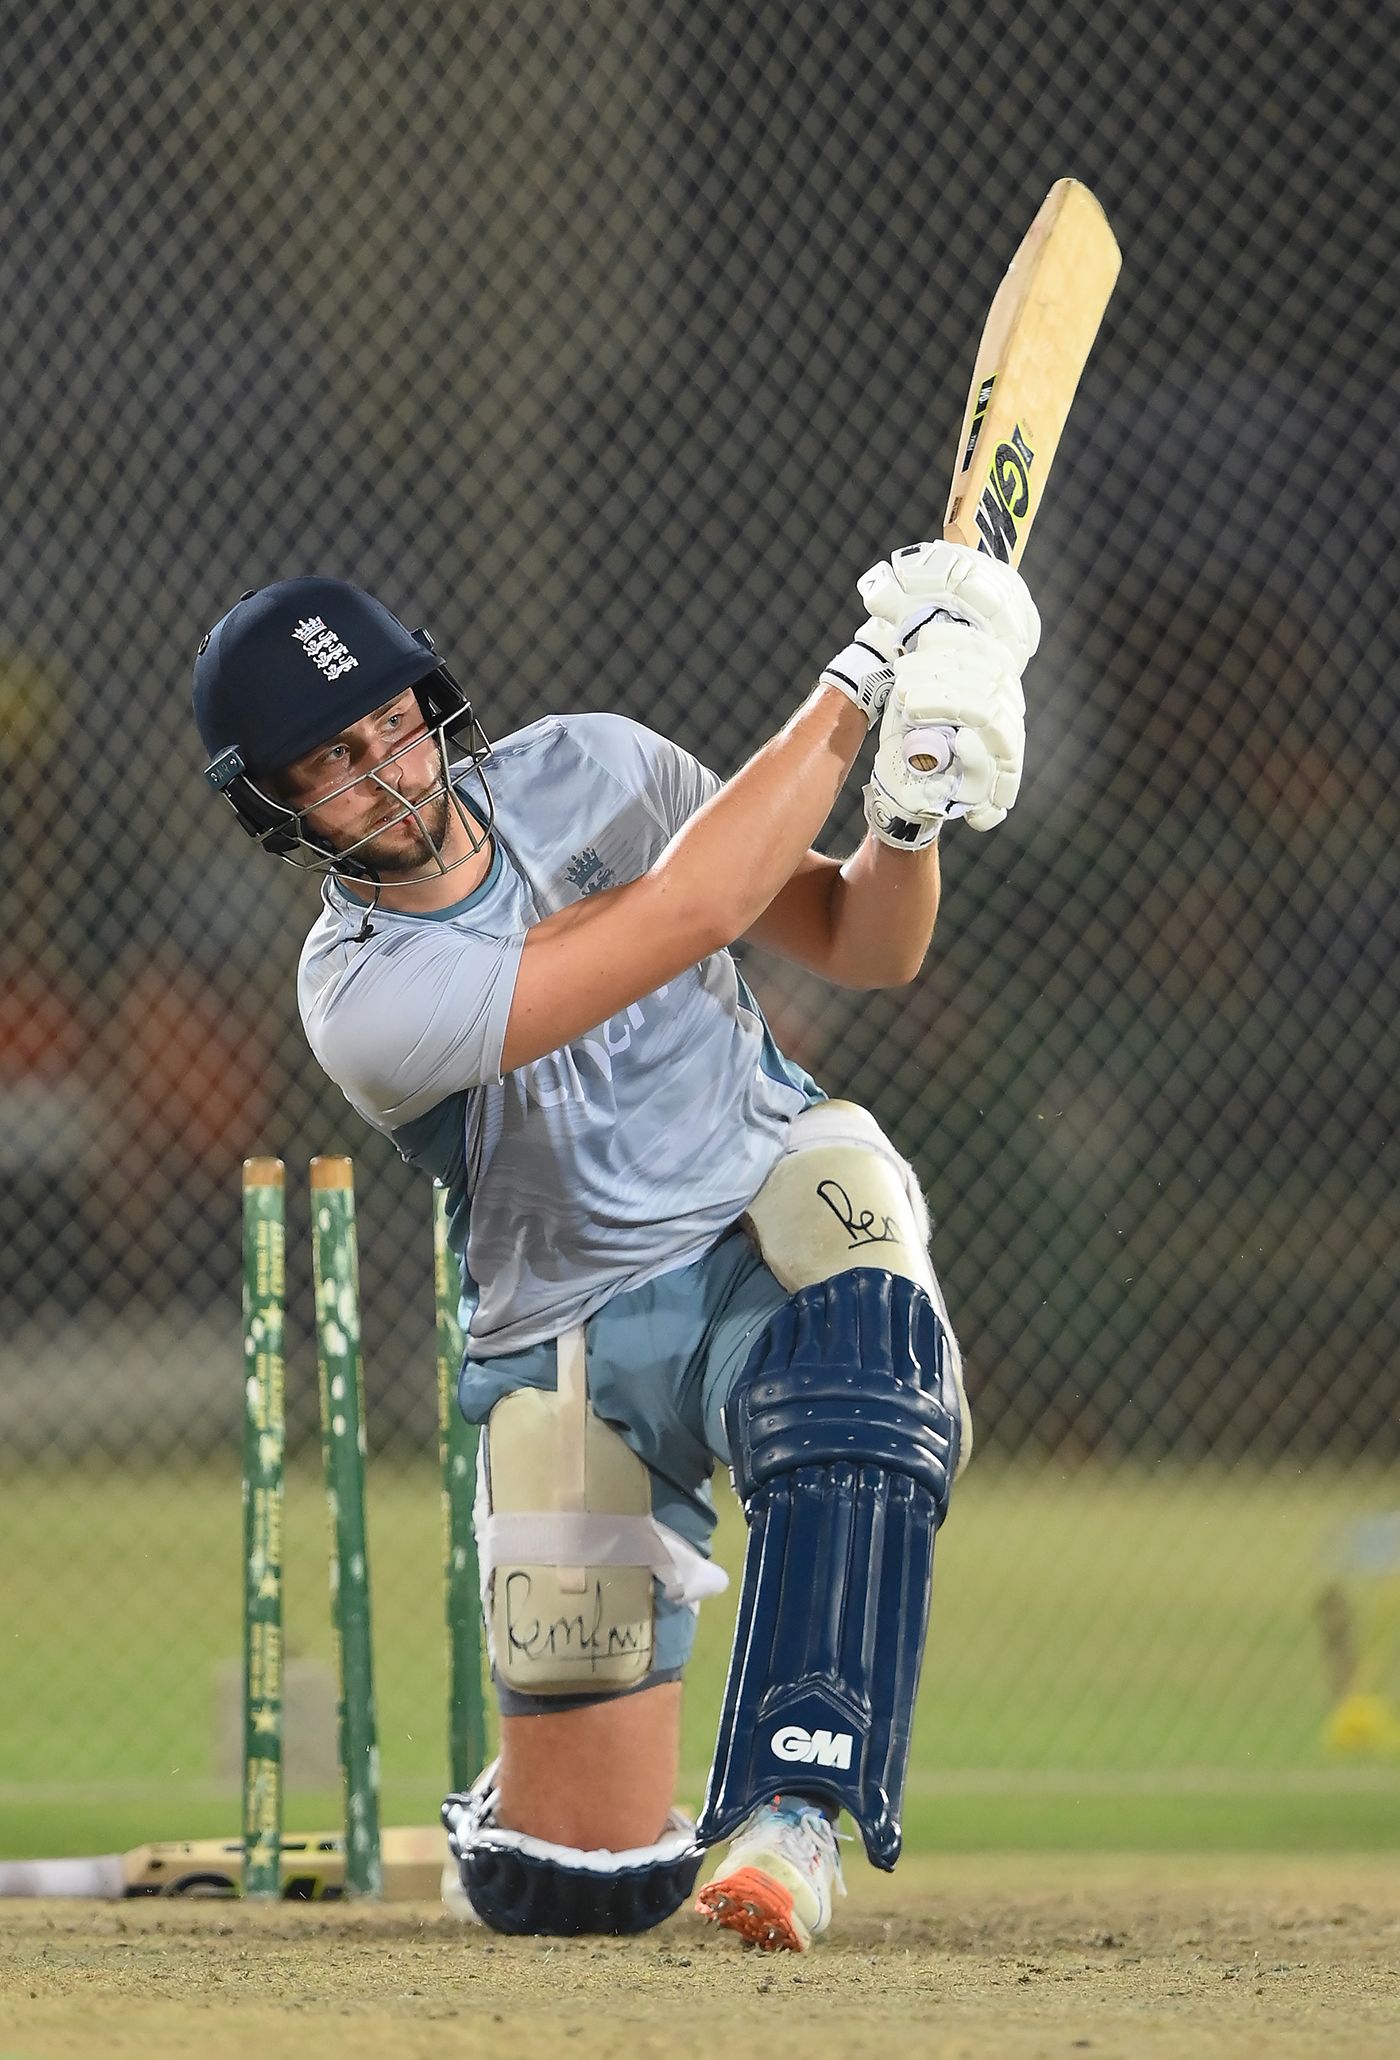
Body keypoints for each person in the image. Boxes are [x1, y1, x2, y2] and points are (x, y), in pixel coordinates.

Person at [192, 540, 1037, 1950]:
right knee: (573, 1887)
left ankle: (791, 1808)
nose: (392, 770)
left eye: (394, 722)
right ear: (279, 807)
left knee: (865, 1374)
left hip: (763, 1195)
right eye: (337, 760)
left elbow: (862, 945)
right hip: (570, 1338)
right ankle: (530, 1810)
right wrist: (864, 678)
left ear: (431, 703)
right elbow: (684, 914)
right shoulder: (359, 997)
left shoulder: (599, 766)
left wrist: (904, 816)